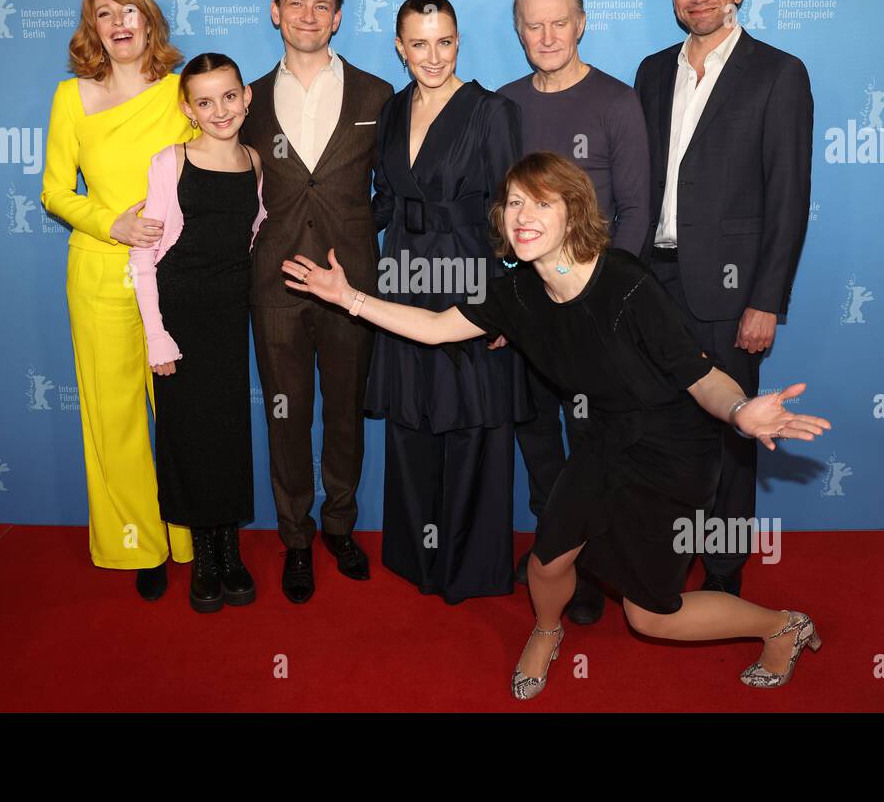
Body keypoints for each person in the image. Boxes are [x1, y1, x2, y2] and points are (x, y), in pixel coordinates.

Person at [281, 152, 830, 699]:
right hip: (605, 441)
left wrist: (740, 412)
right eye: (515, 202)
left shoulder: (625, 281)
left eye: (542, 203)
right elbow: (433, 328)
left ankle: (782, 625)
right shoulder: (518, 292)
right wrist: (347, 297)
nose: (523, 214)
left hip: (672, 453)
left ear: (574, 213)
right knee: (547, 564)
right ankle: (548, 629)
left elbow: (701, 376)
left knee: (650, 617)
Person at [634, 0, 813, 596]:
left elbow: (789, 198)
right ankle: (664, 564)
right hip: (655, 283)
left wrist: (765, 300)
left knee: (731, 443)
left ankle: (726, 578)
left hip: (733, 293)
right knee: (662, 431)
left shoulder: (778, 73)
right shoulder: (653, 72)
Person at [366, 0, 528, 604]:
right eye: (419, 44)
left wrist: (509, 303)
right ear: (400, 47)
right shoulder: (390, 109)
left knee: (472, 423)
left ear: (459, 43)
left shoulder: (493, 112)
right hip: (403, 275)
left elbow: (516, 215)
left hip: (471, 275)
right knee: (412, 417)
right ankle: (418, 560)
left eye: (445, 43)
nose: (432, 58)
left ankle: (468, 567)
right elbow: (382, 199)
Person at [498, 0, 652, 624]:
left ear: (582, 23)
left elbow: (639, 211)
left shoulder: (617, 101)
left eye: (559, 21)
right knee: (537, 439)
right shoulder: (503, 105)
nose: (547, 35)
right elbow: (495, 209)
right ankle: (551, 553)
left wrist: (607, 307)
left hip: (593, 316)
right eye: (533, 24)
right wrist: (504, 302)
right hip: (529, 314)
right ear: (519, 31)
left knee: (593, 444)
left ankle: (592, 565)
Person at [239, 0, 394, 604]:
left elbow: (395, 191)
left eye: (321, 4)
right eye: (295, 2)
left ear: (338, 16)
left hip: (350, 284)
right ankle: (296, 538)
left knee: (344, 416)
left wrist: (355, 235)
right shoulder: (242, 100)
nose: (308, 15)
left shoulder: (377, 95)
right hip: (274, 286)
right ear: (276, 11)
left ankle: (339, 525)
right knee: (286, 416)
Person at [41, 0, 199, 601]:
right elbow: (54, 191)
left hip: (173, 274)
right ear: (94, 29)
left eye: (129, 9)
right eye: (104, 13)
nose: (119, 21)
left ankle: (186, 534)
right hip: (100, 272)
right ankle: (140, 542)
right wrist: (113, 223)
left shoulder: (178, 94)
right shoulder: (70, 98)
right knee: (115, 414)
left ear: (149, 19)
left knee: (180, 411)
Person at [130, 53, 267, 612]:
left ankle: (231, 551)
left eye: (230, 96)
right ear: (188, 109)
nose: (220, 110)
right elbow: (145, 256)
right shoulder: (171, 161)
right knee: (188, 435)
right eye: (205, 102)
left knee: (229, 432)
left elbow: (253, 233)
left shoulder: (256, 161)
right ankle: (205, 559)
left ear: (246, 97)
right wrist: (156, 335)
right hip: (179, 317)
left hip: (231, 317)